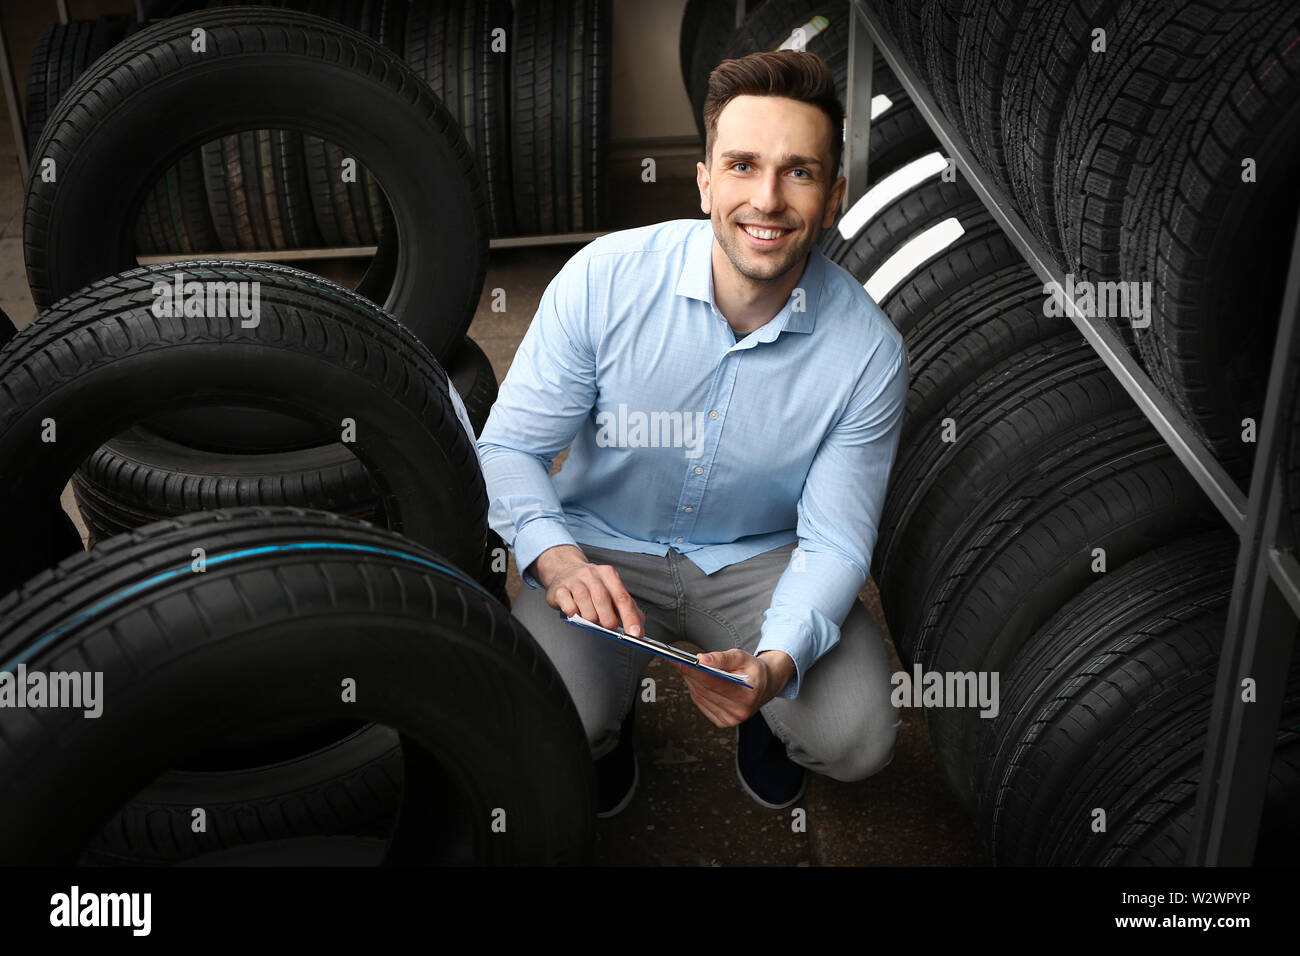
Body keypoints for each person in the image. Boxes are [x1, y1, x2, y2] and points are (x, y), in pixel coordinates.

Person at [475, 49, 906, 816]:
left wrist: (775, 667)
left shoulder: (867, 351)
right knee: (538, 725)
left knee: (856, 736)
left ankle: (768, 724)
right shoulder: (604, 279)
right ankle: (607, 728)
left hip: (757, 559)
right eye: (742, 166)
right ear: (705, 180)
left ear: (833, 197)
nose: (767, 200)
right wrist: (554, 554)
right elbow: (508, 449)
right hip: (600, 548)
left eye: (799, 172)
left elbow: (838, 543)